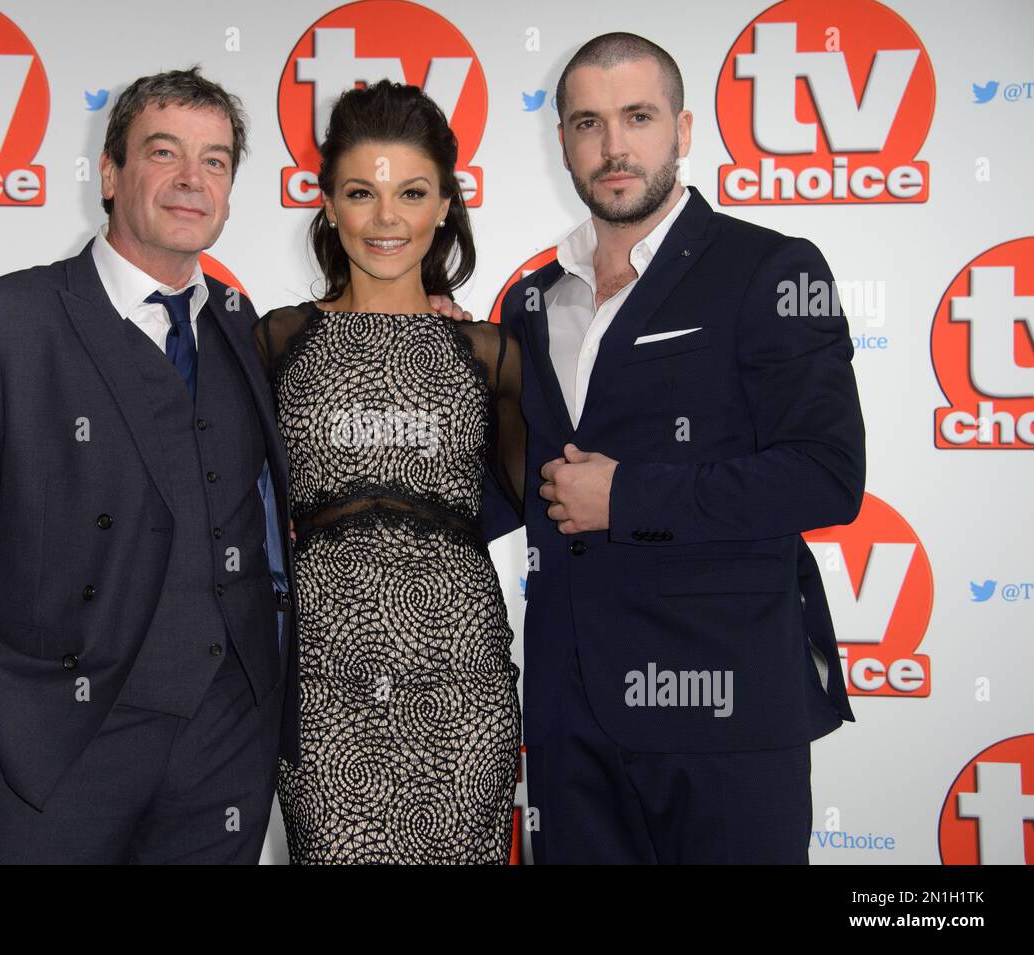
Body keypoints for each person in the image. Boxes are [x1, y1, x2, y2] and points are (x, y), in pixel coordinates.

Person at [0, 68, 296, 863]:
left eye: (214, 162)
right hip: (50, 747)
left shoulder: (246, 329)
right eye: (164, 152)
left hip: (223, 747)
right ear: (110, 173)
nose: (190, 180)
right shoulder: (3, 323)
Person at [479, 33, 865, 863]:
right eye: (588, 123)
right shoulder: (528, 303)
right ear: (564, 144)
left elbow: (826, 475)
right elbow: (509, 486)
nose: (614, 147)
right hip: (566, 715)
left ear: (683, 130)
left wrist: (628, 499)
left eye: (638, 117)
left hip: (721, 709)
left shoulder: (770, 269)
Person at [254, 80, 527, 863]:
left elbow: (540, 498)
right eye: (360, 193)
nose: (386, 219)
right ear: (327, 203)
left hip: (461, 677)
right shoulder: (273, 341)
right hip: (322, 678)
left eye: (411, 193)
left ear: (444, 205)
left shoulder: (492, 352)